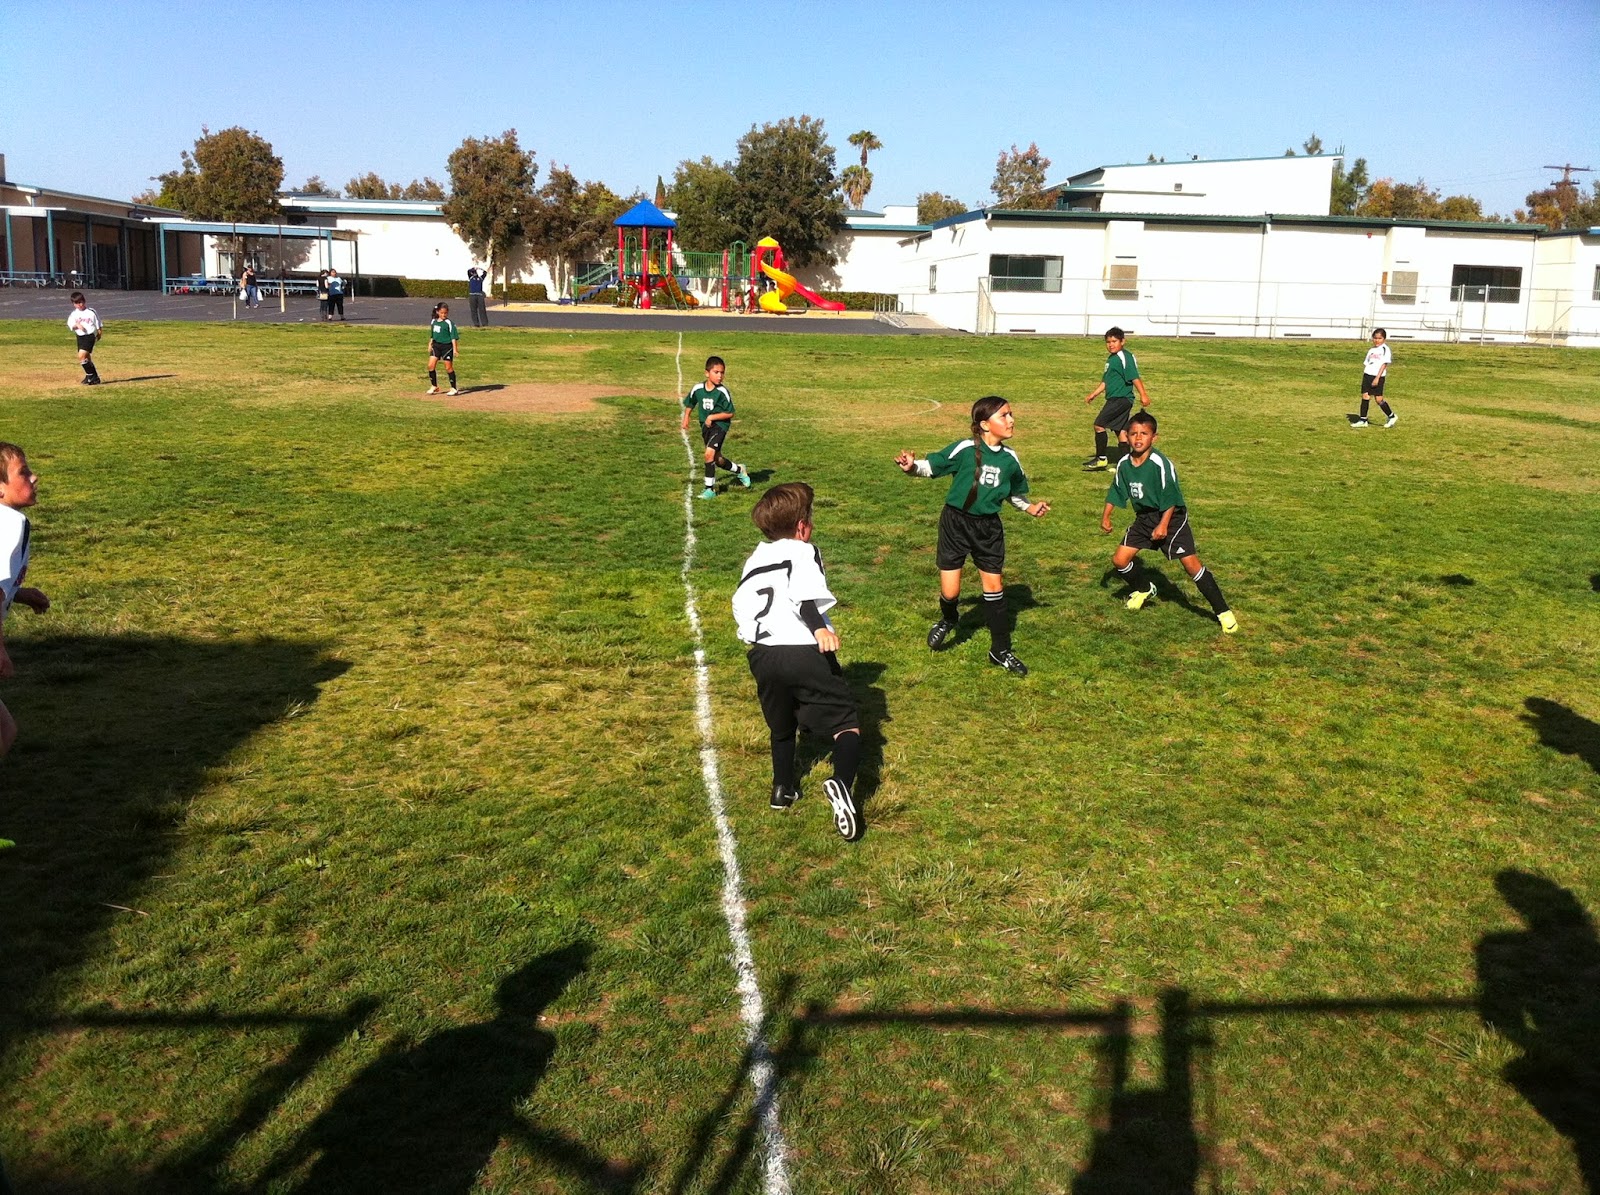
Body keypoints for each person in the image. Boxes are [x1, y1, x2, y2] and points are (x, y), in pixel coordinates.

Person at [732, 482, 863, 840]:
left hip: (761, 652)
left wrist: (754, 639)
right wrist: (820, 629)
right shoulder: (805, 552)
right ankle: (841, 783)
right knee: (847, 724)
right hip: (802, 649)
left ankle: (782, 789)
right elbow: (805, 598)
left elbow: (741, 601)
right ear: (803, 527)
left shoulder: (755, 557)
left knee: (781, 726)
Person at [895, 396, 1050, 676]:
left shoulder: (1010, 459)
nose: (1011, 420)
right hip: (955, 524)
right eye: (1004, 415)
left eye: (1011, 414)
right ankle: (949, 618)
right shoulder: (966, 449)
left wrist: (1030, 507)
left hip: (988, 529)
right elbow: (933, 467)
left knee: (994, 589)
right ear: (984, 424)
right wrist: (912, 467)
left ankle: (999, 650)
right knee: (950, 591)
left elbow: (1014, 493)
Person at [1100, 411, 1238, 634]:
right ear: (1125, 436)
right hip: (1144, 519)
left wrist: (1163, 525)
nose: (1138, 438)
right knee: (1119, 560)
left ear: (1154, 438)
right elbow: (1117, 490)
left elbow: (1171, 497)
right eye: (1133, 433)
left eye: (1144, 434)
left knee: (1191, 565)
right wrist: (1106, 516)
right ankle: (1145, 589)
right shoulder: (1125, 463)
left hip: (1171, 518)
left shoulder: (1160, 463)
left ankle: (1223, 612)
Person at [0, 442, 51, 766]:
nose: (35, 478)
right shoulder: (8, 523)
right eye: (24, 472)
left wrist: (18, 593)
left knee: (4, 730)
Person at [680, 355, 751, 499]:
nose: (720, 376)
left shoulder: (722, 392)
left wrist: (712, 417)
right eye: (716, 372)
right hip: (705, 427)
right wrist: (686, 417)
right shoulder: (698, 388)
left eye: (722, 373)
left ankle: (709, 490)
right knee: (717, 459)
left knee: (709, 454)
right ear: (707, 373)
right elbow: (690, 402)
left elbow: (730, 413)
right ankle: (739, 470)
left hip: (720, 426)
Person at [1082, 326, 1150, 472]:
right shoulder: (1111, 359)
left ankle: (1101, 459)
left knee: (1099, 425)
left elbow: (1134, 377)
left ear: (1122, 341)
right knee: (1121, 432)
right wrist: (1094, 394)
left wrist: (1143, 394)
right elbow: (1106, 381)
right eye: (1108, 342)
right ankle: (1126, 465)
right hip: (1115, 398)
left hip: (1121, 398)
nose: (1111, 344)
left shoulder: (1124, 357)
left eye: (1114, 341)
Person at [1352, 327, 1396, 428]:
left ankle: (1391, 416)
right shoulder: (1371, 350)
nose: (1377, 340)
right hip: (1367, 375)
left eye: (1379, 338)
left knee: (1379, 399)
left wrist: (1377, 378)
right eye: (1375, 338)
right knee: (1365, 396)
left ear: (1384, 339)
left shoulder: (1385, 349)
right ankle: (1363, 420)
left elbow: (1384, 364)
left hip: (1377, 377)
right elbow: (1367, 362)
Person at [66, 292, 102, 384]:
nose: (80, 305)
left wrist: (99, 332)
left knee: (81, 355)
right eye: (77, 303)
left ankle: (91, 376)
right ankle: (93, 376)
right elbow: (70, 325)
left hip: (89, 336)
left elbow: (98, 322)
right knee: (86, 358)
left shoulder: (91, 312)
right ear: (74, 304)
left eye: (82, 302)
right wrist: (77, 325)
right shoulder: (74, 314)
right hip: (80, 336)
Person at [426, 303, 460, 395]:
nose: (444, 315)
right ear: (437, 312)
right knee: (430, 366)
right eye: (442, 313)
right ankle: (434, 386)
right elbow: (432, 335)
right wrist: (430, 344)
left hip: (447, 347)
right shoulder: (433, 321)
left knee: (448, 368)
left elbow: (453, 337)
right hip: (436, 346)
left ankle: (453, 388)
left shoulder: (449, 323)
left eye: (445, 313)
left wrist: (455, 349)